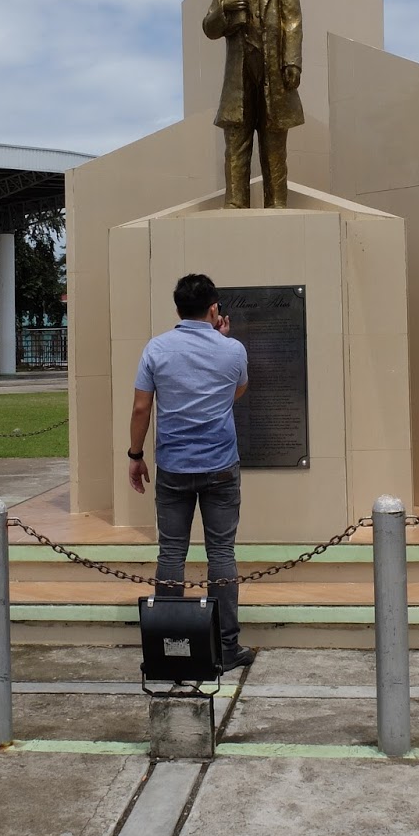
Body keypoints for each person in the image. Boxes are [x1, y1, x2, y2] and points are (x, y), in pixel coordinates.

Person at [127, 271, 255, 670]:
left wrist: (135, 454)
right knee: (221, 552)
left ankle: (169, 643)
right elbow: (237, 391)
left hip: (174, 468)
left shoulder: (157, 348)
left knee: (171, 552)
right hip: (220, 466)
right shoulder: (233, 349)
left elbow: (141, 408)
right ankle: (227, 645)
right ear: (214, 309)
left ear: (178, 308)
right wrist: (221, 337)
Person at [202, 0, 304, 209]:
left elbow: (293, 23)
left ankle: (277, 203)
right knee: (236, 140)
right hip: (240, 74)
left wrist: (292, 63)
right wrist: (226, 7)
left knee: (273, 141)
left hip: (274, 70)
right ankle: (235, 202)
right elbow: (209, 28)